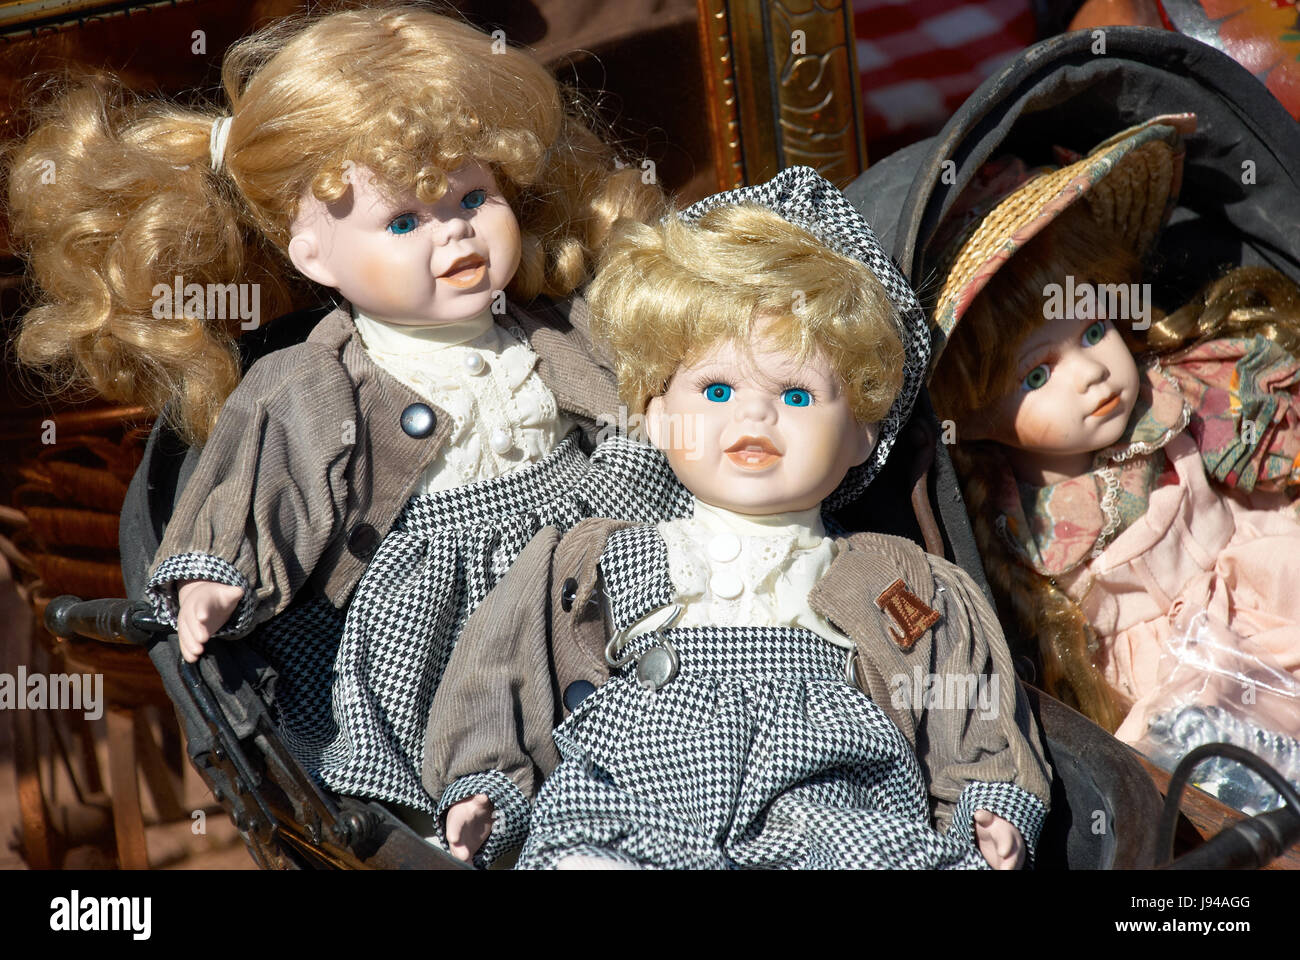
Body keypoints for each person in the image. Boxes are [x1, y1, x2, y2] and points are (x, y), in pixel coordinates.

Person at [6, 5, 691, 818]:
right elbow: (263, 477)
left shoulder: (552, 324)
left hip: (606, 577)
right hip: (447, 626)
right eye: (404, 220)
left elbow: (635, 400)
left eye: (474, 195)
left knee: (675, 723)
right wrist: (218, 574)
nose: (455, 235)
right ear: (311, 252)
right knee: (498, 763)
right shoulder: (314, 380)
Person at [422, 168, 1051, 869]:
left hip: (827, 808)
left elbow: (961, 690)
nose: (755, 413)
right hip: (637, 804)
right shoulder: (591, 560)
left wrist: (991, 797)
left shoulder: (893, 577)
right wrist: (483, 784)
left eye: (799, 394)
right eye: (716, 388)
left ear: (862, 434)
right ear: (656, 413)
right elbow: (501, 668)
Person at [926, 115, 1300, 756]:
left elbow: (1262, 473)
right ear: (979, 414)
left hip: (1261, 581)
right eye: (1038, 373)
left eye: (1095, 331)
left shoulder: (1172, 400)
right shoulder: (1014, 528)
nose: (1093, 372)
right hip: (1169, 679)